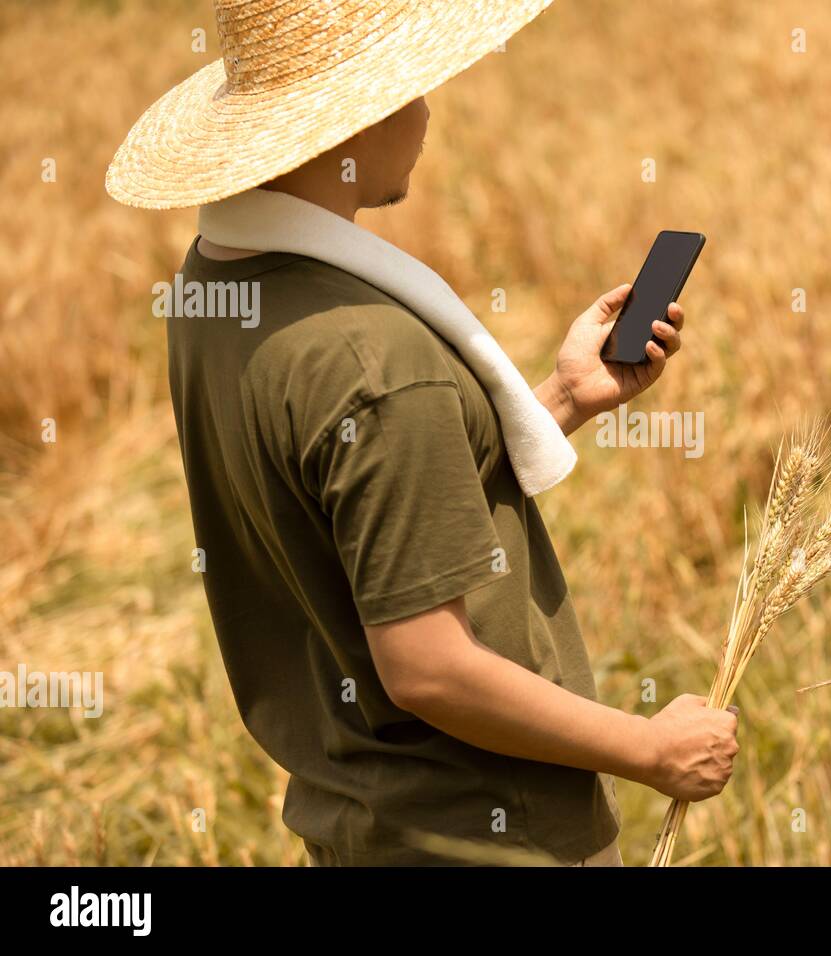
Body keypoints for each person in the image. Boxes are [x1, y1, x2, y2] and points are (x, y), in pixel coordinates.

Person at [105, 0, 739, 866]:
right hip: (484, 828)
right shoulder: (376, 358)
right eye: (411, 89)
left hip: (358, 823)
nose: (429, 110)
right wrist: (651, 751)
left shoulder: (217, 282)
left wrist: (562, 395)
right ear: (350, 122)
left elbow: (355, 493)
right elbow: (430, 668)